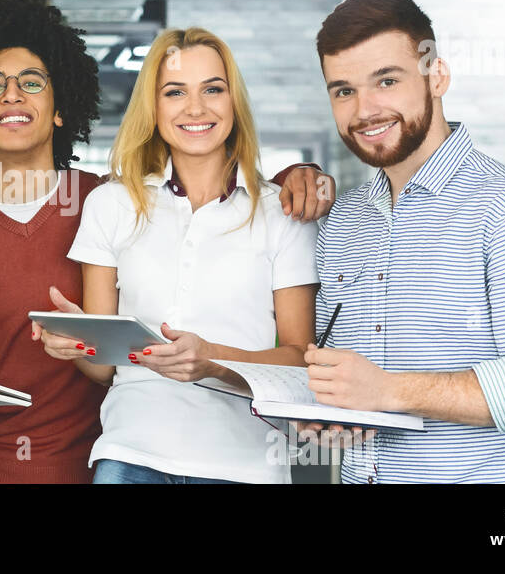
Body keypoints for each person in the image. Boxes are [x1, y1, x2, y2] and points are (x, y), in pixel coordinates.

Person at [0, 0, 338, 483]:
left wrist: (298, 177)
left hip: (91, 460)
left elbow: (217, 174)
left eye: (32, 82)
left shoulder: (102, 198)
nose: (12, 95)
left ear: (60, 109)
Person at [296, 0, 505, 483]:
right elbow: (346, 382)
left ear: (437, 77)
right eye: (343, 90)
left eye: (386, 81)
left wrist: (390, 390)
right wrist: (329, 412)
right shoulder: (344, 221)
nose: (365, 109)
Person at [36, 28, 321, 484]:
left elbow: (300, 363)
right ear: (154, 106)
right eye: (175, 92)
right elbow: (103, 367)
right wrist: (76, 344)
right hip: (131, 455)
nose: (195, 108)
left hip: (245, 464)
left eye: (213, 89)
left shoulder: (281, 213)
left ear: (234, 102)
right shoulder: (112, 204)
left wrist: (212, 359)